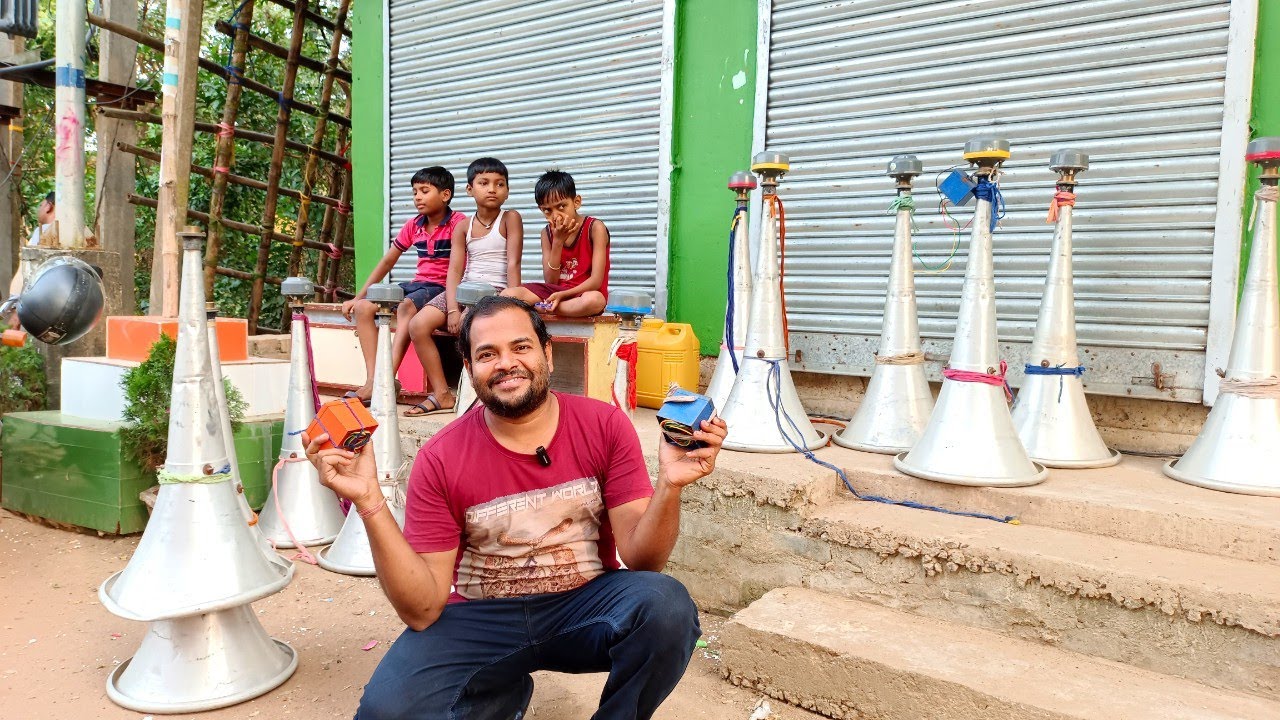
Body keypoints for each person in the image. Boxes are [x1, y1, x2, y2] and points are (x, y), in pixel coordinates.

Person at [304, 296, 728, 719]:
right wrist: (370, 501)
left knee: (665, 607)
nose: (506, 363)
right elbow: (423, 609)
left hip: (582, 609)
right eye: (487, 354)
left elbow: (643, 560)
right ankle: (499, 694)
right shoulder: (440, 457)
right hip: (480, 619)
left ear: (547, 353)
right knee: (387, 713)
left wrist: (669, 486)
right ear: (470, 369)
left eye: (521, 347)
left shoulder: (605, 425)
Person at [404, 158, 523, 417]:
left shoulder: (510, 218)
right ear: (470, 189)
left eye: (500, 184)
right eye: (484, 183)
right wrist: (452, 309)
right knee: (417, 325)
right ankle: (442, 393)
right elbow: (455, 271)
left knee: (471, 327)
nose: (492, 189)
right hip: (463, 291)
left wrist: (514, 305)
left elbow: (514, 264)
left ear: (507, 191)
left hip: (494, 292)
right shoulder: (462, 226)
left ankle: (479, 397)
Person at [341, 167, 466, 404]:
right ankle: (374, 380)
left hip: (442, 288)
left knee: (406, 306)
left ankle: (385, 380)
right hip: (418, 284)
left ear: (445, 195)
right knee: (364, 308)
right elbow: (388, 261)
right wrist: (358, 297)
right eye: (415, 192)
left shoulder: (458, 223)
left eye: (425, 191)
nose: (417, 197)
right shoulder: (414, 225)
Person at [502, 170, 610, 317]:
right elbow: (551, 281)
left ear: (576, 202)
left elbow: (596, 281)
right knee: (508, 295)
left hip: (583, 292)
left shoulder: (595, 228)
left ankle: (543, 308)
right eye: (547, 210)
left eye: (561, 207)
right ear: (541, 209)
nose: (555, 216)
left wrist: (563, 295)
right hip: (554, 291)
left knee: (595, 300)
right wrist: (558, 242)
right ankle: (550, 307)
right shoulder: (546, 233)